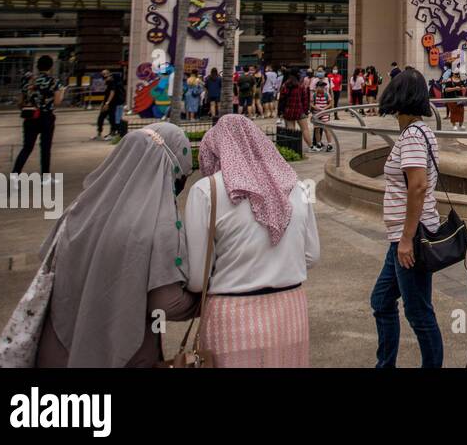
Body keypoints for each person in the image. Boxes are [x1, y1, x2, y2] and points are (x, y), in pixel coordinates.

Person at [29, 122, 199, 366]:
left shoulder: (79, 209)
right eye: (181, 175)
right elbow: (165, 304)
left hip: (58, 346)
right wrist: (206, 302)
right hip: (120, 354)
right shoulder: (157, 225)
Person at [184, 114, 319, 367]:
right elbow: (311, 256)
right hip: (290, 315)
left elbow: (196, 279)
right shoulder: (298, 188)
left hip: (231, 318)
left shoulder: (206, 190)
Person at [371, 69, 444, 368]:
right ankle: (385, 364)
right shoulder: (419, 132)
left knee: (418, 312)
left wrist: (406, 239)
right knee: (382, 301)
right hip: (403, 236)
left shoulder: (413, 135)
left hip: (410, 237)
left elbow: (418, 185)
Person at [14, 55, 63, 183]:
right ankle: (45, 177)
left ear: (37, 66)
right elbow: (57, 102)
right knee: (45, 147)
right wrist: (61, 94)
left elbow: (20, 102)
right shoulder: (54, 82)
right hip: (46, 117)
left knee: (27, 147)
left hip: (30, 117)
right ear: (51, 67)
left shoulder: (29, 81)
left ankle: (15, 173)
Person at [279, 69, 311, 153]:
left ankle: (292, 148)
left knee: (290, 129)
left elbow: (281, 100)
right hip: (300, 111)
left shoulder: (285, 85)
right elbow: (305, 99)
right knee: (305, 129)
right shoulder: (301, 85)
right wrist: (306, 111)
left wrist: (280, 112)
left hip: (288, 111)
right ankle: (310, 146)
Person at [95, 68, 122, 139]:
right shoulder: (107, 82)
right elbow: (106, 94)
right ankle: (99, 132)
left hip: (112, 103)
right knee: (101, 117)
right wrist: (103, 103)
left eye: (104, 74)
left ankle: (113, 132)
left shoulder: (111, 82)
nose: (103, 76)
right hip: (107, 103)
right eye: (102, 74)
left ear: (109, 74)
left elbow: (112, 93)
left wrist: (107, 103)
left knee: (111, 117)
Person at [310, 78, 334, 152]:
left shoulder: (327, 94)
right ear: (316, 87)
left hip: (325, 114)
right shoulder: (313, 95)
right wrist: (315, 107)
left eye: (323, 87)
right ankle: (318, 143)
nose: (322, 88)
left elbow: (331, 103)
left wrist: (325, 108)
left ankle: (329, 144)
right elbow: (311, 103)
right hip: (316, 114)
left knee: (326, 128)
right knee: (317, 129)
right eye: (320, 86)